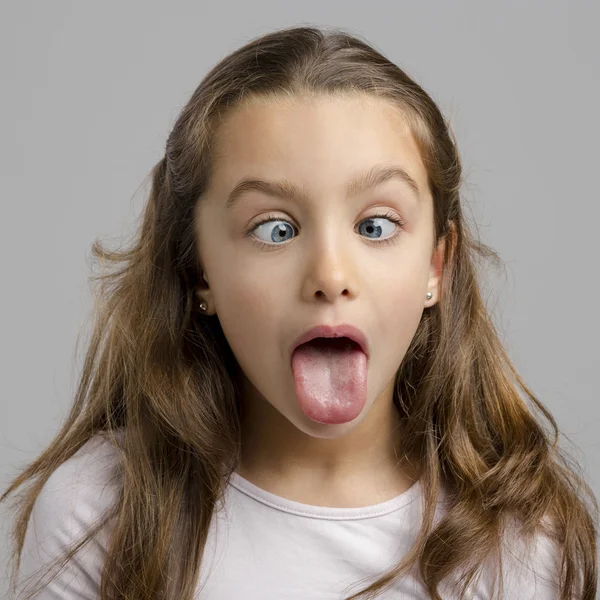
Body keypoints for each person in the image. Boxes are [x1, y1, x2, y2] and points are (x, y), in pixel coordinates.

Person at [2, 25, 597, 600]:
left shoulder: (519, 543)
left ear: (436, 268)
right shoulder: (101, 513)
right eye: (276, 229)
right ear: (197, 269)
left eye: (376, 226)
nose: (330, 277)